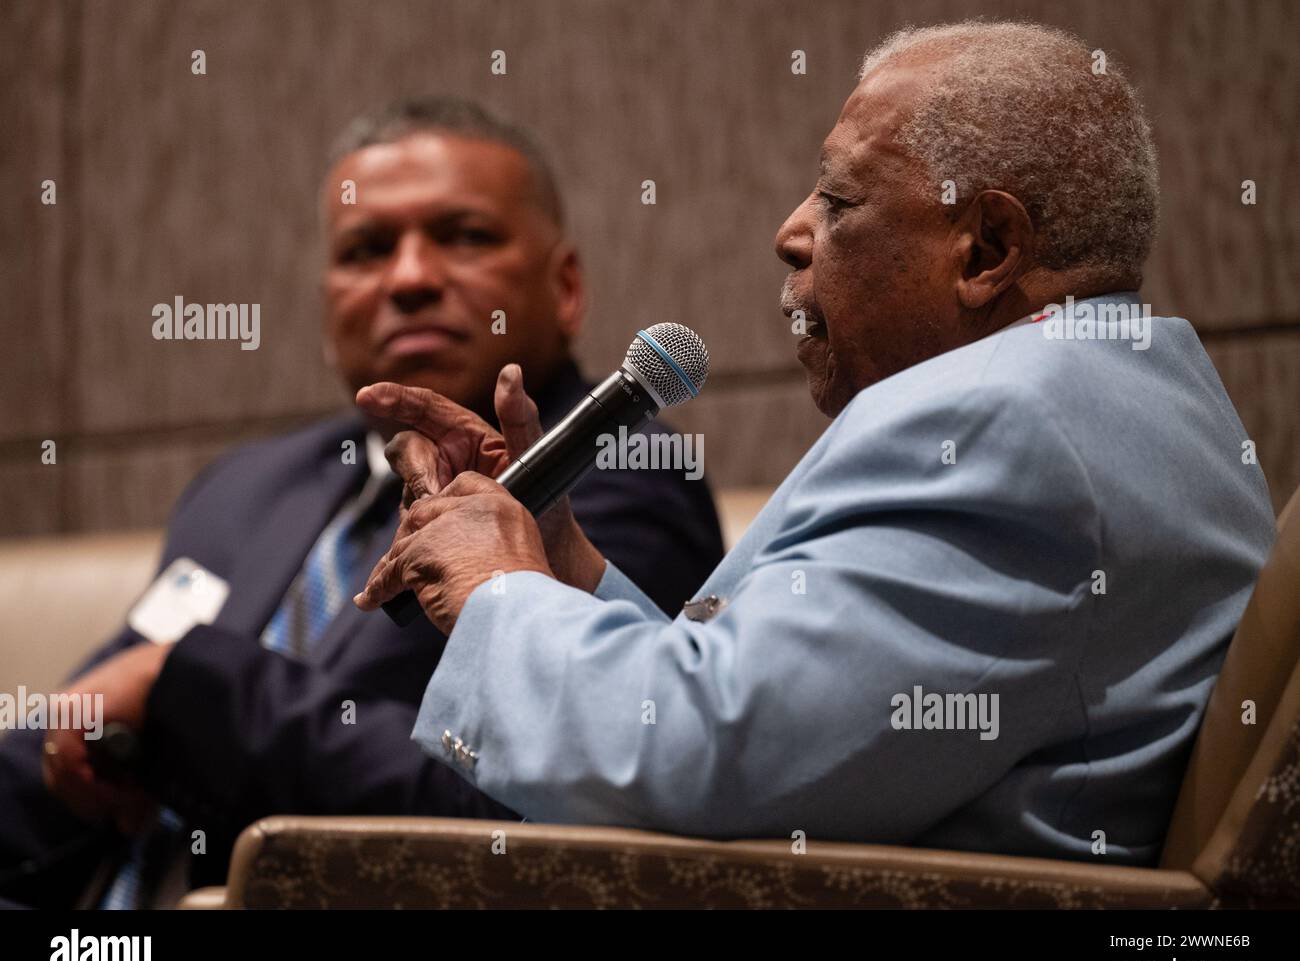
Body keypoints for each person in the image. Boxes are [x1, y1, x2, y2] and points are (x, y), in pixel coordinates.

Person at [353, 23, 1275, 865]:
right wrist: (559, 561)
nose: (790, 232)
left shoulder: (1005, 424)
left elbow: (702, 766)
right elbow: (772, 727)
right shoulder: (1133, 397)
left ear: (987, 246)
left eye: (837, 198)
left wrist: (496, 592)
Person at [7, 97, 723, 908]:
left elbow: (519, 811)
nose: (410, 278)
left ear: (565, 287)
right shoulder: (243, 487)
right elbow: (65, 733)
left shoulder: (620, 470)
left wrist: (182, 686)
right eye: (367, 249)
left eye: (465, 236)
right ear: (326, 306)